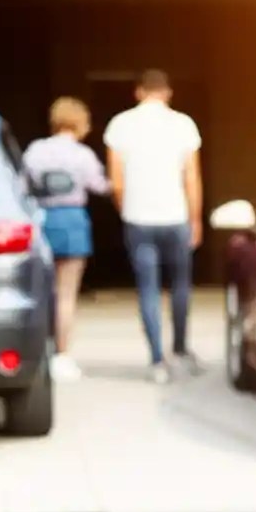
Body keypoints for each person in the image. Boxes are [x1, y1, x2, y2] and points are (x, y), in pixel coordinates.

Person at [103, 69, 204, 384]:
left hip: (139, 218)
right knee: (180, 286)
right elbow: (191, 177)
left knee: (148, 288)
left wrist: (125, 208)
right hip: (175, 216)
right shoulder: (183, 124)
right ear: (168, 93)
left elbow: (115, 182)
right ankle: (181, 349)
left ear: (138, 92)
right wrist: (196, 218)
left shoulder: (120, 125)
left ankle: (157, 360)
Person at [23, 96, 111, 382]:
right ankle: (62, 355)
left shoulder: (35, 151)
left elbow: (21, 187)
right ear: (80, 123)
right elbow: (99, 186)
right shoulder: (82, 155)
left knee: (42, 291)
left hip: (43, 220)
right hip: (72, 220)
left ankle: (40, 352)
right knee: (66, 294)